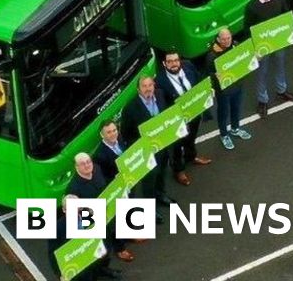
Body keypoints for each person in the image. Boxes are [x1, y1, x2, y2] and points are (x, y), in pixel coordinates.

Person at [245, 0, 293, 118]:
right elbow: (247, 29)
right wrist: (253, 49)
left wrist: (292, 34)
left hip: (279, 41)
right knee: (262, 72)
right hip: (262, 47)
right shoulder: (251, 6)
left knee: (280, 66)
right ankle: (262, 100)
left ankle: (281, 91)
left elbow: (286, 15)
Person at [156, 50, 212, 186]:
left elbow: (199, 81)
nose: (174, 64)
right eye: (170, 61)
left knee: (191, 138)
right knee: (176, 147)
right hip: (176, 120)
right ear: (164, 63)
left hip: (193, 113)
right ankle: (179, 170)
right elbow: (161, 104)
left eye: (176, 60)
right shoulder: (160, 81)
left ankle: (191, 157)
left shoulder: (188, 66)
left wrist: (207, 90)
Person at [68, 153, 133, 264]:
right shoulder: (73, 188)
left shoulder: (97, 169)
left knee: (115, 226)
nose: (87, 165)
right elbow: (74, 213)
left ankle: (121, 248)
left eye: (88, 161)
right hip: (93, 219)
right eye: (83, 164)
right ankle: (104, 266)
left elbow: (106, 182)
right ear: (76, 167)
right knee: (104, 246)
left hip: (108, 207)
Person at [121, 76, 173, 209]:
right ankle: (151, 207)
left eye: (150, 85)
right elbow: (126, 134)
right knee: (149, 180)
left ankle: (161, 194)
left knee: (162, 172)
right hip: (146, 151)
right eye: (144, 86)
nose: (148, 88)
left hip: (163, 145)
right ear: (138, 89)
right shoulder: (130, 108)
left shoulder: (160, 95)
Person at [205, 27, 253, 151]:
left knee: (236, 108)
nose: (227, 41)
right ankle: (224, 134)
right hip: (223, 90)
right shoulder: (212, 55)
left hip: (237, 84)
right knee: (224, 112)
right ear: (218, 39)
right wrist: (214, 76)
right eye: (224, 39)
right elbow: (207, 74)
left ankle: (235, 128)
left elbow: (244, 58)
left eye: (228, 38)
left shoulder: (236, 45)